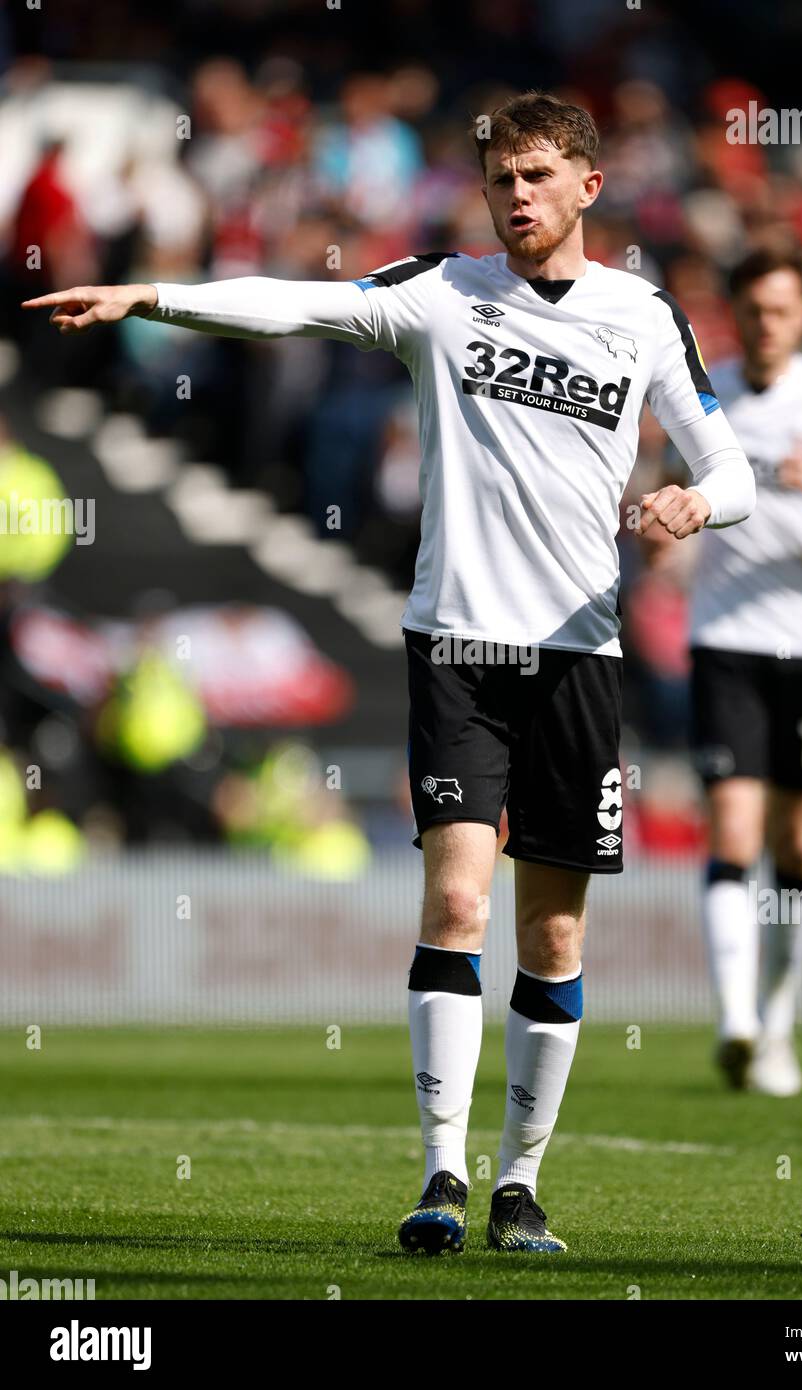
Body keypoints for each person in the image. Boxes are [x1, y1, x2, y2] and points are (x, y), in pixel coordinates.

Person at [24, 90, 755, 1255]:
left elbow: (733, 463)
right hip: (456, 644)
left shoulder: (641, 315)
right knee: (458, 903)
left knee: (554, 941)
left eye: (533, 175)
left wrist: (693, 501)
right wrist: (152, 294)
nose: (513, 196)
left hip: (580, 653)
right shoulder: (441, 293)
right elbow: (294, 306)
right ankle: (442, 1177)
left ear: (586, 186)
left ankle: (522, 1182)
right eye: (498, 178)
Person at [643, 247, 802, 1097]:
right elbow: (667, 485)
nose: (767, 325)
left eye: (782, 310)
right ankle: (736, 1022)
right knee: (735, 832)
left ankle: (779, 1022)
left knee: (794, 842)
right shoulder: (700, 391)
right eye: (754, 310)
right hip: (726, 644)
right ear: (738, 313)